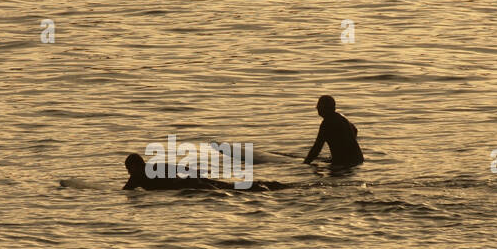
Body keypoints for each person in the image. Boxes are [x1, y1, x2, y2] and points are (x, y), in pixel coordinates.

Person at [122, 153, 289, 192]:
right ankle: (265, 185)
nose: (129, 173)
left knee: (228, 189)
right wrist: (197, 175)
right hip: (191, 181)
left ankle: (259, 187)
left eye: (129, 169)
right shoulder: (154, 166)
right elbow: (181, 168)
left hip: (186, 185)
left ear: (134, 166)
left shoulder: (137, 176)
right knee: (228, 186)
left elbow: (125, 191)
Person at [303, 95, 363, 166]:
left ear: (323, 108)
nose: (317, 108)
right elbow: (355, 130)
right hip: (358, 159)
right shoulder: (341, 118)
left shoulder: (327, 123)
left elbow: (317, 148)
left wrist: (305, 164)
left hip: (343, 162)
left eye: (319, 106)